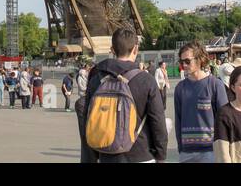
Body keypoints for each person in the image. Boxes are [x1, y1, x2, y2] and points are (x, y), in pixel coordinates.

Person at [79, 23, 167, 164]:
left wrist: (92, 156)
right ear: (136, 49)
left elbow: (88, 120)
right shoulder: (146, 80)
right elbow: (158, 121)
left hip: (106, 154)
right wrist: (161, 155)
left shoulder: (96, 79)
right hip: (140, 153)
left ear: (112, 49)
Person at [173, 41, 228, 163]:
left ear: (200, 59)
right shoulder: (180, 88)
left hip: (211, 151)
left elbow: (224, 120)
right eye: (181, 62)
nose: (184, 65)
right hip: (186, 153)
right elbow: (178, 120)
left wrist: (223, 148)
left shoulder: (215, 85)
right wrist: (181, 148)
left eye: (188, 61)